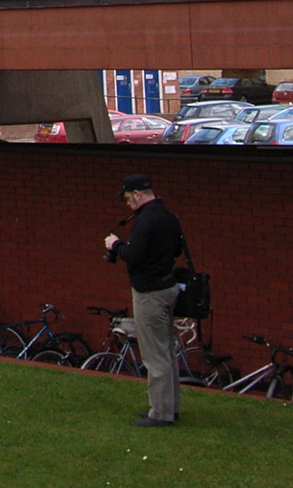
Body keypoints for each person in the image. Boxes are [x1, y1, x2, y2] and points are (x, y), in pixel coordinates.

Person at [103, 173, 184, 427]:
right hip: (169, 287)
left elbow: (134, 255)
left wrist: (116, 245)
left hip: (150, 293)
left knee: (154, 355)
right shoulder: (167, 215)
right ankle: (170, 407)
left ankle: (160, 413)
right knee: (167, 351)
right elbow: (177, 250)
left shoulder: (145, 220)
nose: (127, 204)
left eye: (128, 198)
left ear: (137, 194)